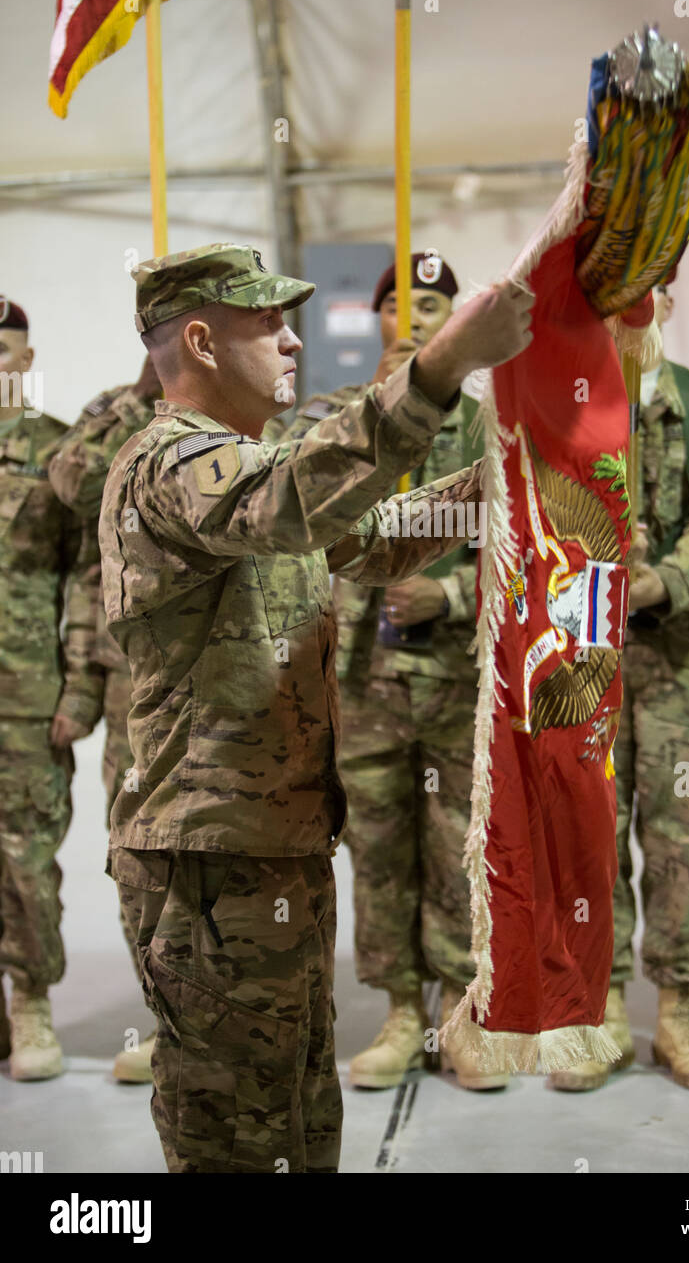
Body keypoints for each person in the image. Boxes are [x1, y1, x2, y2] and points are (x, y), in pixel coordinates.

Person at [97, 242, 532, 1172]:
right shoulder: (169, 465)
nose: (296, 344)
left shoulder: (248, 469)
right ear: (204, 343)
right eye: (272, 327)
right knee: (236, 1136)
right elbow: (292, 502)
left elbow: (375, 538)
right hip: (208, 861)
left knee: (295, 1117)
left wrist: (500, 477)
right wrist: (444, 364)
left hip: (276, 844)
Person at [288, 252, 504, 1092]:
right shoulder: (328, 420)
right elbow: (293, 532)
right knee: (375, 847)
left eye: (432, 306)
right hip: (364, 680)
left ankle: (463, 1014)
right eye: (394, 306)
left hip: (455, 681)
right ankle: (400, 1011)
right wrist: (379, 413)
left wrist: (449, 593)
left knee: (458, 848)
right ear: (373, 321)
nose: (409, 319)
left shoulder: (487, 428)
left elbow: (528, 552)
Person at [550, 282, 689, 1093]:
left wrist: (662, 583)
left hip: (680, 665)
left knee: (681, 841)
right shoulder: (561, 407)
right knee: (590, 842)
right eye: (611, 295)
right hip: (583, 667)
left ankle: (680, 1011)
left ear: (670, 299)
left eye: (646, 290)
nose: (628, 310)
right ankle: (601, 1010)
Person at [49, 355, 163, 1082]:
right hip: (133, 679)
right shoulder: (113, 407)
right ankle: (170, 1021)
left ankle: (241, 1022)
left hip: (230, 673)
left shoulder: (250, 403)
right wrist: (140, 399)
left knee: (229, 851)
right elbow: (73, 484)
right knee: (138, 855)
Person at [0, 298, 94, 1080]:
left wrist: (82, 689)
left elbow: (91, 580)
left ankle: (30, 1004)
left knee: (26, 857)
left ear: (24, 363)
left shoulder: (57, 454)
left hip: (25, 695)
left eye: (2, 352)